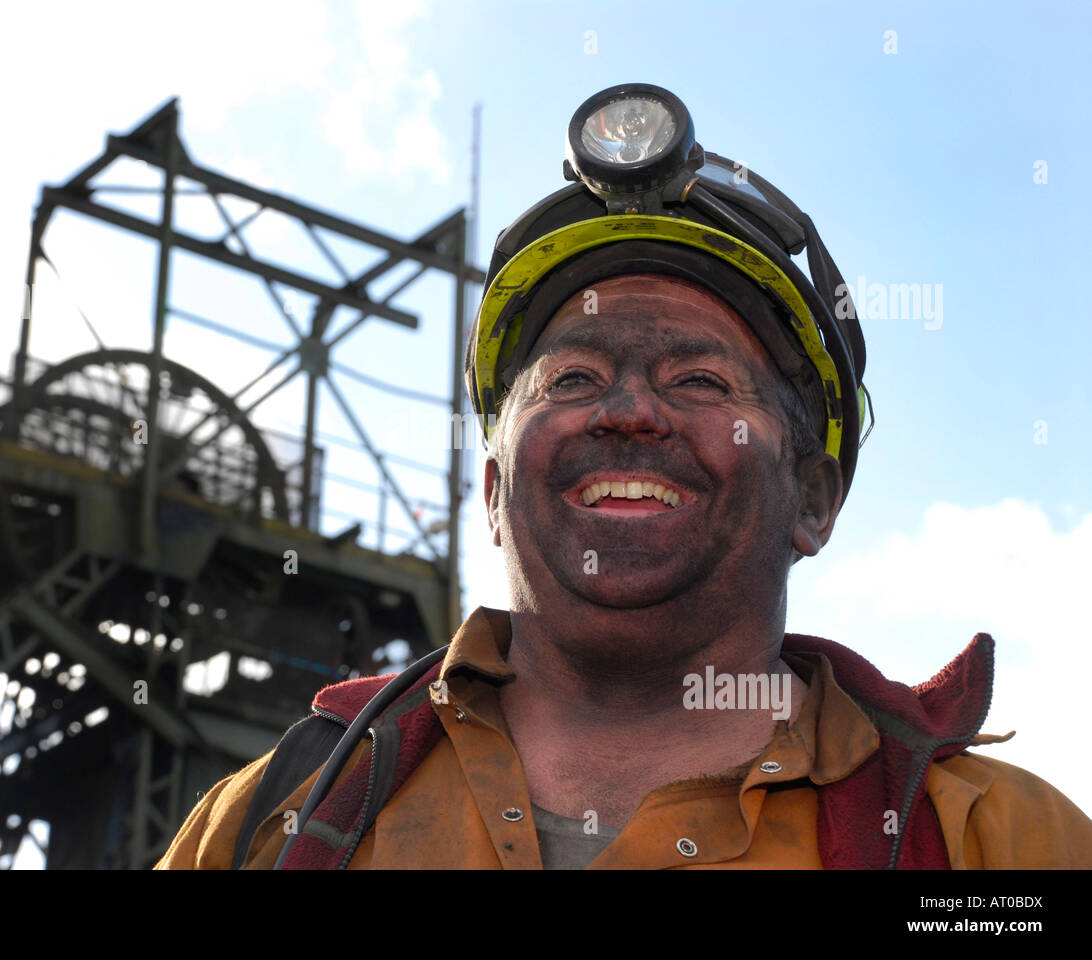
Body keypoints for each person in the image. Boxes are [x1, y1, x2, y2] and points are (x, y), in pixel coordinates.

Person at [155, 83, 1092, 869]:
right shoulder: (267, 826)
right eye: (573, 379)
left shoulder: (993, 848)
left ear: (813, 498)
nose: (629, 411)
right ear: (492, 492)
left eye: (700, 380)